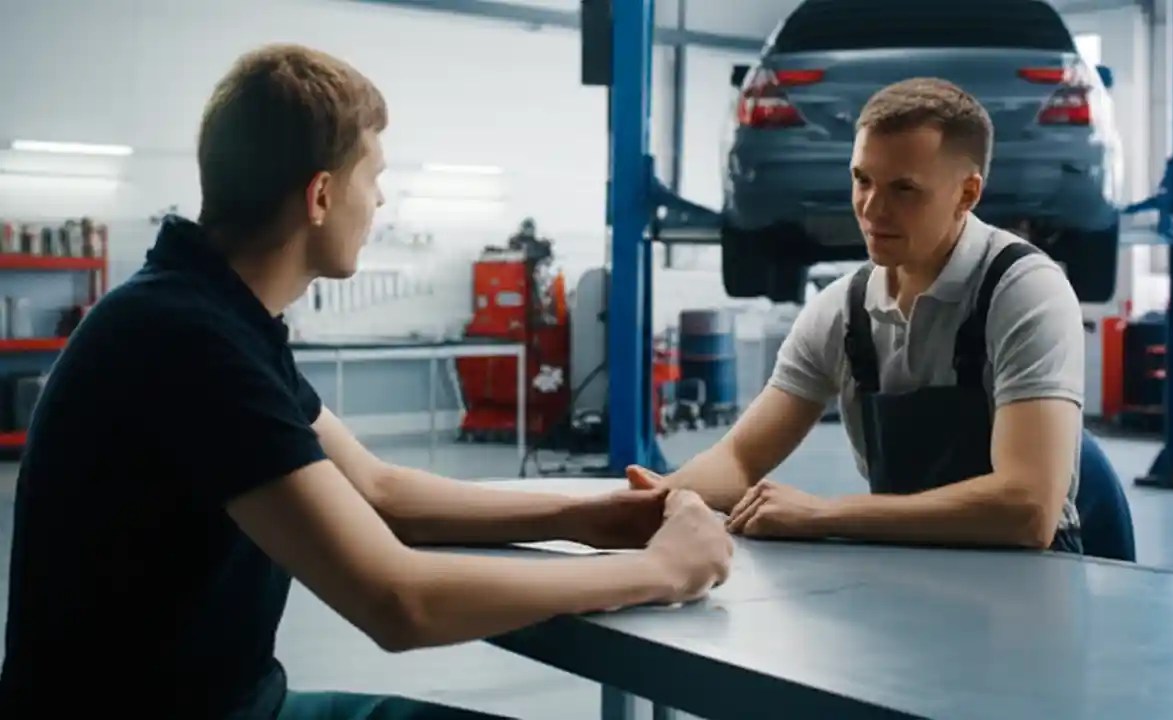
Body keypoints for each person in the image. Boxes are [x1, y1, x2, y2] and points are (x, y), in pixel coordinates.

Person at [0, 45, 733, 719]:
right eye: (373, 178)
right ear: (320, 196)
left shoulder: (210, 309)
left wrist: (584, 518)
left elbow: (380, 493)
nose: (379, 203)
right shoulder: (189, 341)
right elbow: (398, 601)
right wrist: (660, 570)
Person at [631, 77, 1086, 552]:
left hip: (1028, 584)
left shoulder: (1023, 291)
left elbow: (1029, 508)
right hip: (904, 562)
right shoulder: (845, 310)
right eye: (862, 179)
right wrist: (663, 501)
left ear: (967, 194)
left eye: (904, 189)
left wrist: (823, 515)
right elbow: (740, 458)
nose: (872, 209)